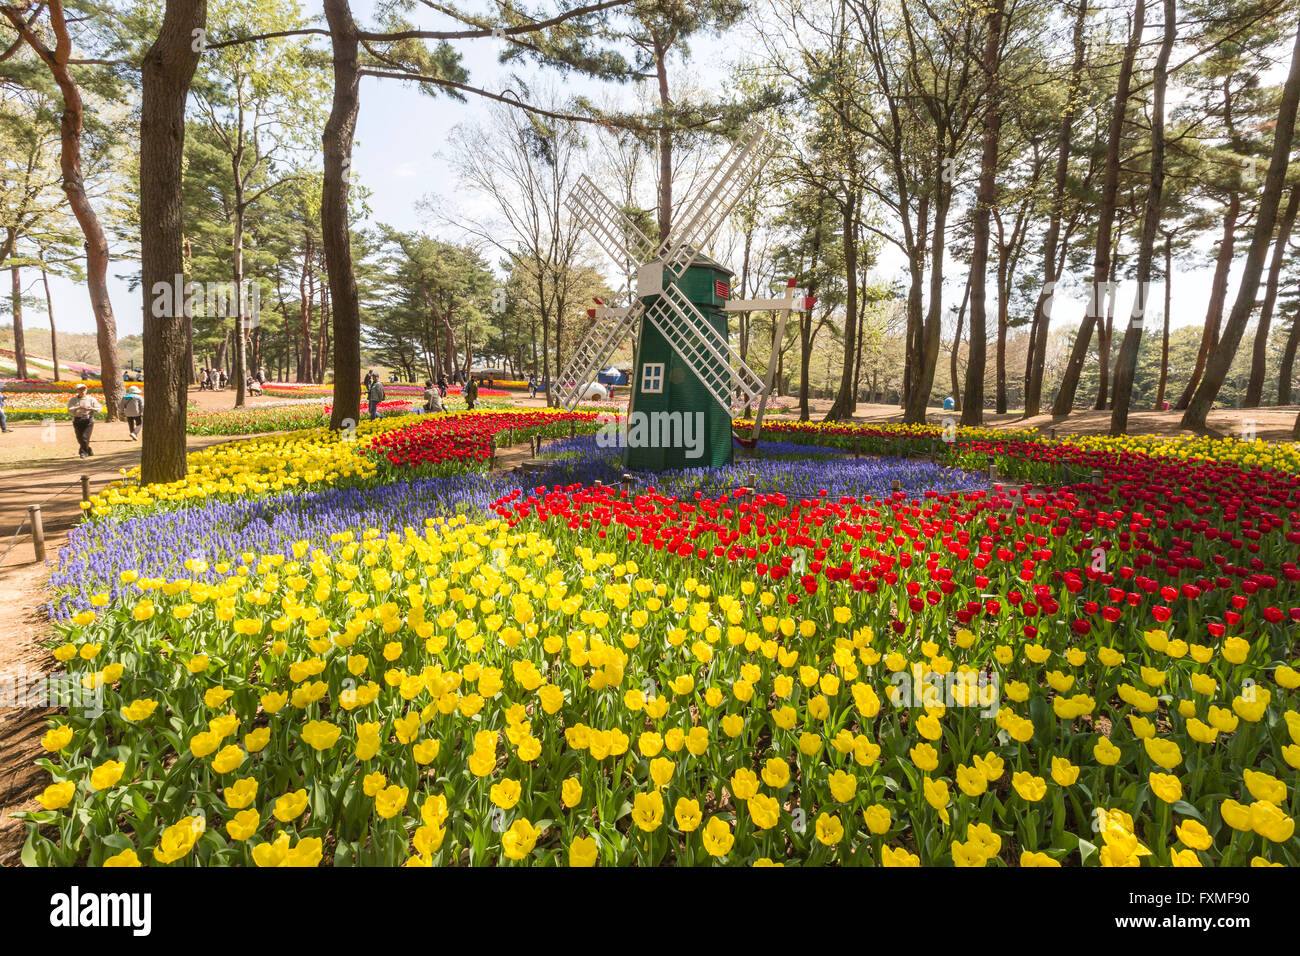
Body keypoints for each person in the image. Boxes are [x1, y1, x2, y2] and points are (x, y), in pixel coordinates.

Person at [68, 382, 101, 458]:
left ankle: (83, 453)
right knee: (79, 438)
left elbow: (99, 409)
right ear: (77, 391)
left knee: (85, 437)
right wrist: (78, 407)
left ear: (86, 390)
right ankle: (88, 449)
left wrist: (91, 408)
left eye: (84, 389)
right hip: (77, 420)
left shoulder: (91, 399)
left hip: (88, 420)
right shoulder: (73, 400)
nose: (82, 391)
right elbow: (69, 410)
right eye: (80, 389)